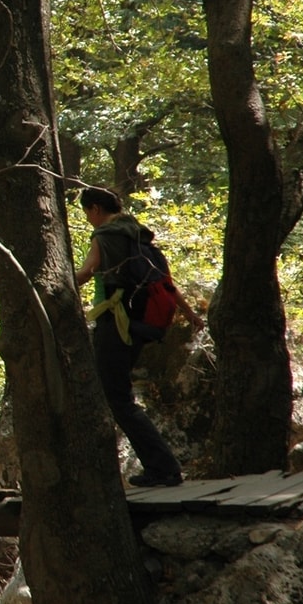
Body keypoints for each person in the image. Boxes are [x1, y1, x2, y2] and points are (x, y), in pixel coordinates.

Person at [74, 186, 203, 488]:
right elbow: (167, 284)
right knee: (119, 397)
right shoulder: (138, 236)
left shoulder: (106, 236)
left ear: (94, 209)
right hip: (138, 327)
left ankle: (163, 467)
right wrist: (190, 314)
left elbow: (86, 272)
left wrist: (49, 289)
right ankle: (161, 467)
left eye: (87, 213)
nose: (89, 219)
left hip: (115, 324)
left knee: (118, 400)